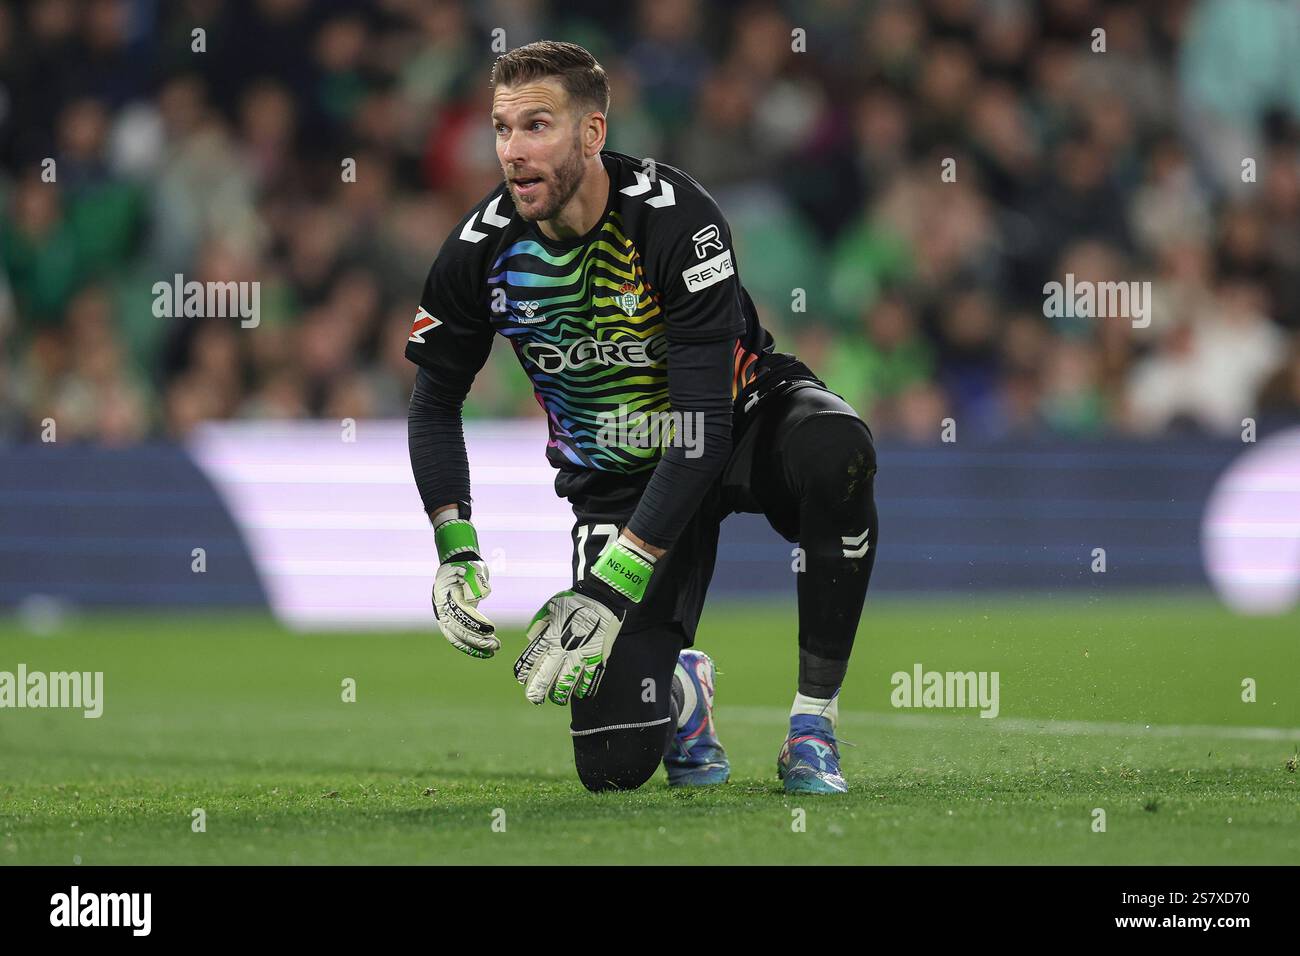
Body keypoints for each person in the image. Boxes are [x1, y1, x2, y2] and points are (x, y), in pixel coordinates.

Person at [406, 41, 879, 794]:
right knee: (614, 765)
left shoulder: (675, 219)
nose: (513, 151)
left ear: (592, 134)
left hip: (736, 421)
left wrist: (610, 585)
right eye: (502, 129)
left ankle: (811, 724)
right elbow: (434, 402)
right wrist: (454, 543)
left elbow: (699, 430)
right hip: (616, 475)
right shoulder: (479, 250)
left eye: (537, 126)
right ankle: (683, 693)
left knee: (837, 449)